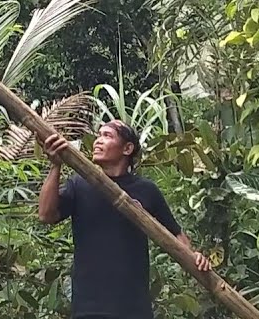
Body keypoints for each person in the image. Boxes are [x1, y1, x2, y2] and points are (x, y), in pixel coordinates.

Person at [38, 119, 212, 319]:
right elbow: (45, 215)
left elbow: (177, 235)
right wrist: (55, 166)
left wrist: (195, 257)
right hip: (89, 307)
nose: (97, 141)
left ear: (127, 148)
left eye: (107, 136)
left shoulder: (146, 190)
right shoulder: (80, 184)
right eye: (98, 135)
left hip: (133, 308)